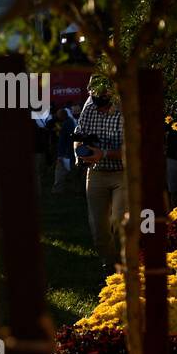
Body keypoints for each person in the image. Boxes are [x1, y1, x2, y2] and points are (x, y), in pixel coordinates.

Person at [73, 91, 126, 276]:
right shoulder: (90, 106)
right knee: (98, 228)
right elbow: (79, 135)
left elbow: (134, 148)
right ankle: (109, 266)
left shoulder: (124, 108)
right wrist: (80, 153)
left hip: (123, 172)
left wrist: (103, 153)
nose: (99, 108)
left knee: (120, 222)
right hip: (96, 173)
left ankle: (124, 264)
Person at [52, 104, 80, 195]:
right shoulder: (72, 122)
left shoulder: (67, 124)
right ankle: (74, 190)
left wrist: (60, 155)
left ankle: (59, 191)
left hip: (67, 153)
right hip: (71, 152)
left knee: (60, 173)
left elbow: (63, 140)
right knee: (73, 174)